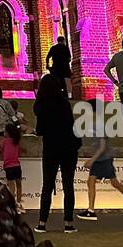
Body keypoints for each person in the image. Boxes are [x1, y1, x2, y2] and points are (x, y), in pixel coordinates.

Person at [34, 71, 81, 233]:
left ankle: (42, 222)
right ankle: (68, 222)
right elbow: (71, 125)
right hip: (68, 147)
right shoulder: (64, 103)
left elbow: (40, 130)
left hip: (51, 148)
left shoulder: (41, 106)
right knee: (68, 185)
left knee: (47, 185)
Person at [77, 123, 123, 222]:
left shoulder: (98, 126)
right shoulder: (91, 128)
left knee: (111, 183)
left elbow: (102, 147)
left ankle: (91, 210)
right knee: (100, 182)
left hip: (104, 160)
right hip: (100, 160)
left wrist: (91, 160)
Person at [2, 124, 23, 207]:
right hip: (17, 166)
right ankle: (19, 203)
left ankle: (12, 204)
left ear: (7, 133)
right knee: (19, 185)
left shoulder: (4, 141)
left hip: (8, 166)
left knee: (11, 187)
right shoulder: (16, 141)